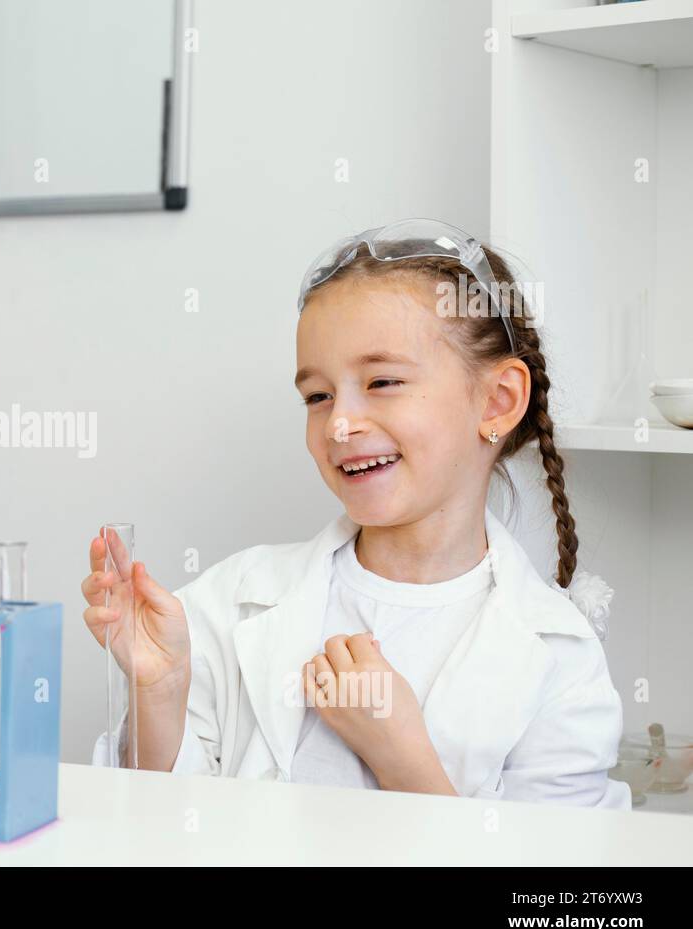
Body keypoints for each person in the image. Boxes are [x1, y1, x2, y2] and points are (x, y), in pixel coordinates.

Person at [82, 219, 628, 808]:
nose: (340, 424)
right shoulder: (225, 604)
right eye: (318, 396)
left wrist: (402, 758)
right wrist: (159, 696)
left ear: (498, 401)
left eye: (383, 381)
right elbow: (151, 826)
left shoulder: (559, 658)